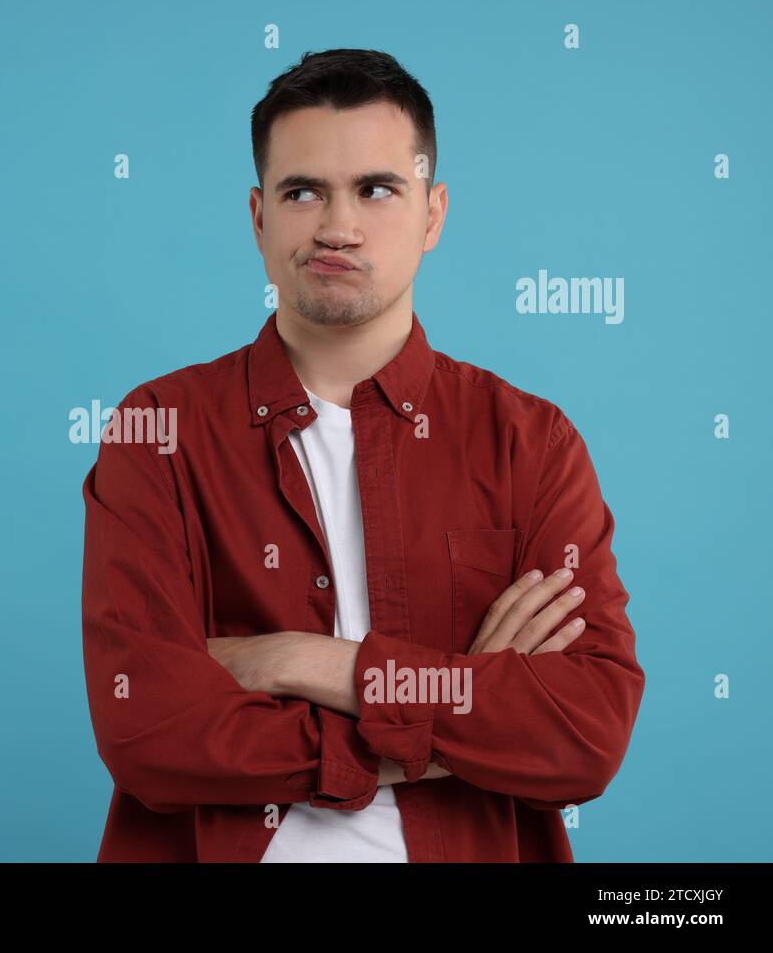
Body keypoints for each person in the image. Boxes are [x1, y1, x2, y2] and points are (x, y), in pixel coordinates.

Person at [79, 48, 644, 862]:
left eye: (377, 189)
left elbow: (585, 730)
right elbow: (147, 728)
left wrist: (298, 661)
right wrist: (451, 712)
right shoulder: (157, 429)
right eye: (303, 190)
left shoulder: (529, 443)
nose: (337, 226)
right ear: (258, 217)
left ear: (433, 213)